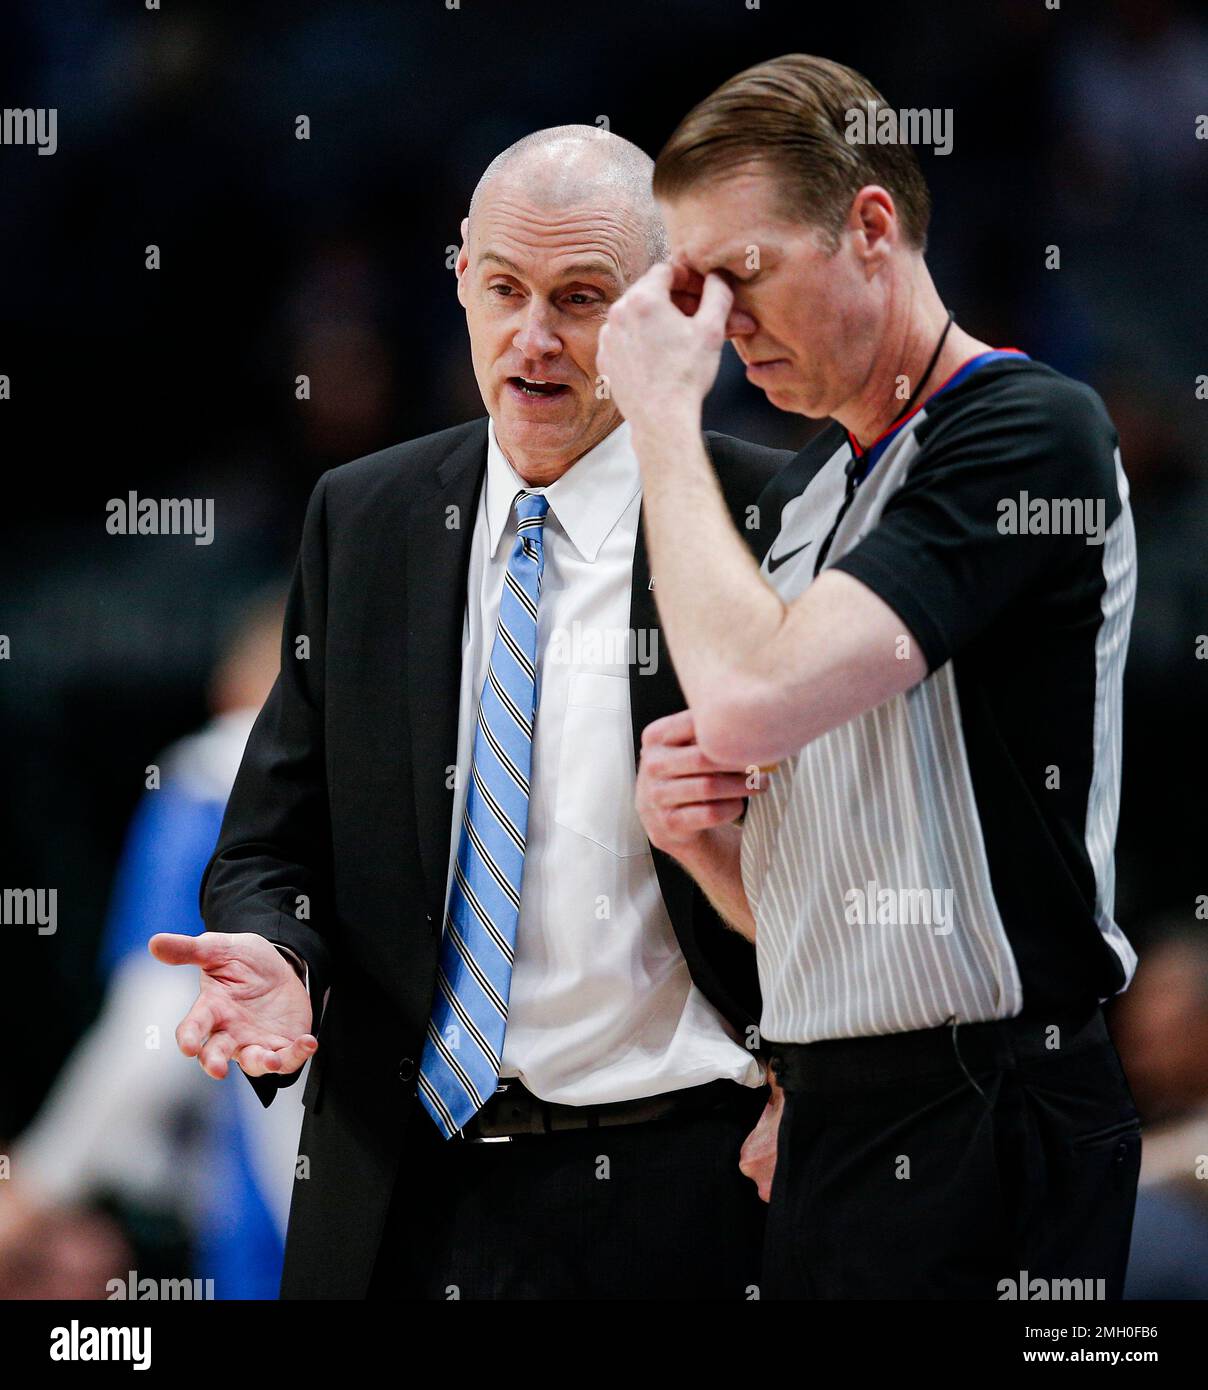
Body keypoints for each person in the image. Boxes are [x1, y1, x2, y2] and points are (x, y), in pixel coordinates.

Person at [151, 126, 791, 1299]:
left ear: (668, 304)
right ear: (456, 280)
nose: (533, 339)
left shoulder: (770, 519)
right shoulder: (365, 515)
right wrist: (276, 952)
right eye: (502, 289)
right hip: (398, 1187)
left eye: (580, 298)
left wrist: (826, 1077)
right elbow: (270, 843)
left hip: (680, 1185)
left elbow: (857, 867)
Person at [598, 54, 1142, 1299]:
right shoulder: (801, 500)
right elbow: (830, 914)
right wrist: (704, 850)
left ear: (870, 227)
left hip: (999, 1106)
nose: (722, 325)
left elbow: (744, 700)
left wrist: (661, 427)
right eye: (693, 289)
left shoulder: (1029, 431)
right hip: (837, 1106)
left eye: (742, 273)